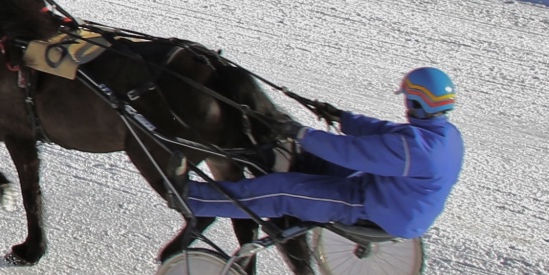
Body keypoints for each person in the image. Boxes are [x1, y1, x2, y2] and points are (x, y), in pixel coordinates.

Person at [185, 67, 464, 238]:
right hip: (395, 200)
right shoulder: (446, 135)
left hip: (374, 210)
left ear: (414, 102)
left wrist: (299, 133)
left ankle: (191, 198)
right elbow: (385, 132)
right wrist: (343, 118)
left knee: (283, 190)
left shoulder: (414, 149)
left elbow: (348, 153)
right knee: (313, 162)